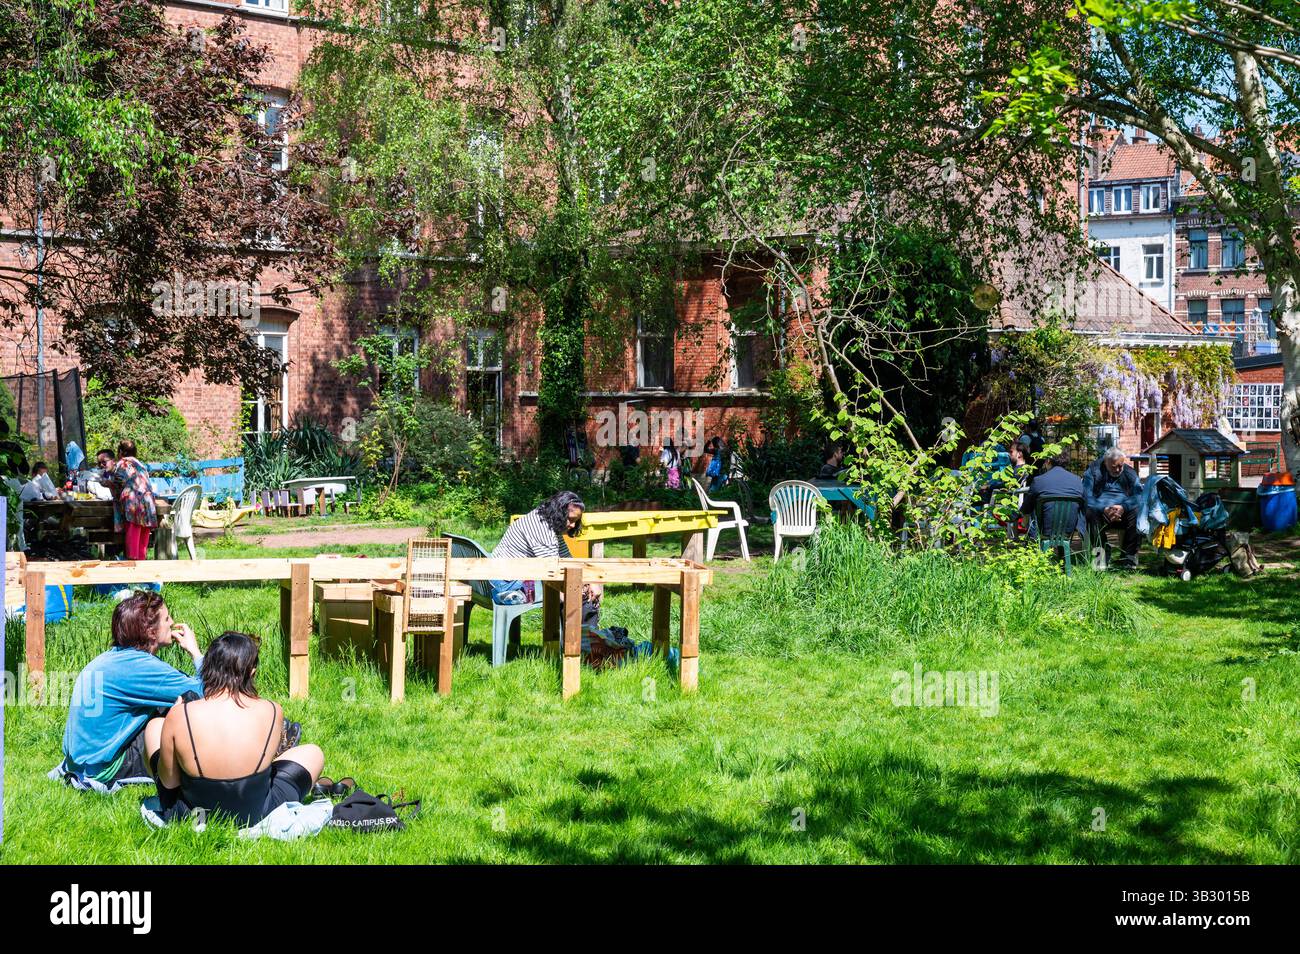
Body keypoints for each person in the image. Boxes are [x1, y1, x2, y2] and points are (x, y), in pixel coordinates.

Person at [154, 632, 324, 827]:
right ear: (251, 672)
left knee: (154, 727)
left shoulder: (180, 714)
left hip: (193, 814)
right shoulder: (272, 709)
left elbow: (169, 782)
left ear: (207, 668)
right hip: (256, 812)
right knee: (313, 753)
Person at [60, 592, 204, 788]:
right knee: (187, 705)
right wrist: (195, 652)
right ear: (151, 631)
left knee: (169, 707)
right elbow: (205, 691)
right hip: (105, 767)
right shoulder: (140, 666)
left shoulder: (114, 658)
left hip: (80, 762)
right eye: (167, 618)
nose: (172, 623)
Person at [489, 490, 601, 625]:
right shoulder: (540, 527)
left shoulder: (548, 519)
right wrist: (580, 588)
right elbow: (554, 571)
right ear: (560, 512)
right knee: (578, 595)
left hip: (506, 577)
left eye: (575, 522)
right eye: (571, 520)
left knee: (576, 589)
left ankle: (579, 640)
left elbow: (566, 558)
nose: (572, 525)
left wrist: (589, 580)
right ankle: (584, 643)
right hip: (506, 584)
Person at [1083, 446, 1144, 568]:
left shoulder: (1129, 473)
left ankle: (1129, 557)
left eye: (1120, 466)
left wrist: (1123, 507)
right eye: (1113, 466)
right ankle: (1101, 556)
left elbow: (1139, 496)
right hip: (1100, 512)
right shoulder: (1093, 470)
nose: (1117, 470)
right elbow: (1087, 496)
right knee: (1090, 512)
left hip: (1123, 513)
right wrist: (1104, 509)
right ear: (1105, 462)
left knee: (1137, 511)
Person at [107, 439, 158, 559]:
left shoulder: (122, 464)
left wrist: (107, 483)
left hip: (133, 503)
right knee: (143, 537)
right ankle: (141, 566)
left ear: (120, 452)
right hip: (148, 502)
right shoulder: (140, 465)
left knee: (133, 535)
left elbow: (116, 485)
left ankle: (132, 565)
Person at [1020, 450, 1088, 541]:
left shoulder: (1039, 480)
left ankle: (1032, 541)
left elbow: (1026, 507)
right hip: (1068, 530)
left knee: (1032, 505)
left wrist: (1024, 523)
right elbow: (1084, 506)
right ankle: (1063, 552)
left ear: (1048, 461)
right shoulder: (1077, 481)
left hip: (1044, 529)